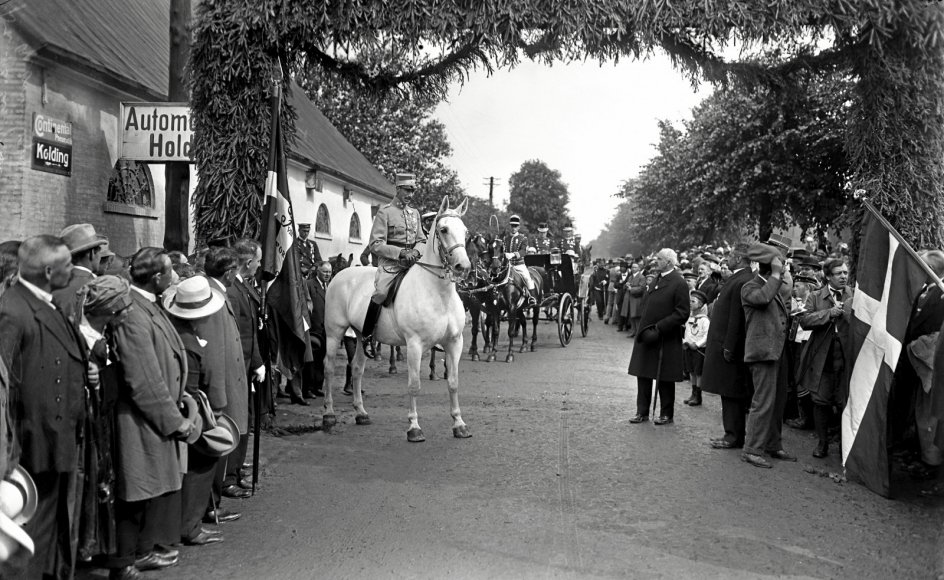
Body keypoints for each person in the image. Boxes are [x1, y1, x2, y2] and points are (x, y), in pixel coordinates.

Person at [0, 235, 87, 580]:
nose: (73, 271)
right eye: (68, 264)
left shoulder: (43, 302)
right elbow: (4, 386)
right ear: (49, 271)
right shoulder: (13, 310)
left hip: (52, 437)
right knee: (29, 534)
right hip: (31, 443)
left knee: (49, 527)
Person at [111, 247, 194, 576]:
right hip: (142, 418)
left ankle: (141, 552)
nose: (173, 277)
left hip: (156, 415)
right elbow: (143, 379)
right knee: (135, 491)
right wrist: (175, 422)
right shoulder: (133, 313)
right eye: (169, 271)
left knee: (147, 489)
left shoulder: (148, 304)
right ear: (157, 277)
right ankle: (124, 562)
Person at [164, 276, 228, 550]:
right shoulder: (189, 342)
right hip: (188, 409)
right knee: (203, 461)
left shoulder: (176, 329)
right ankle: (190, 526)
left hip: (179, 406)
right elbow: (189, 388)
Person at [201, 248, 252, 502]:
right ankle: (225, 481)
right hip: (224, 377)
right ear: (229, 273)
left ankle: (231, 475)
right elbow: (213, 346)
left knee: (235, 425)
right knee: (226, 429)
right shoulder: (212, 295)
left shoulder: (219, 292)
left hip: (234, 371)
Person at [740, 242, 796, 468]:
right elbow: (763, 299)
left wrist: (778, 274)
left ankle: (773, 444)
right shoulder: (750, 287)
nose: (784, 268)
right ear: (770, 267)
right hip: (763, 353)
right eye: (781, 265)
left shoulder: (773, 286)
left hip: (777, 351)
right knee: (762, 402)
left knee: (778, 401)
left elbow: (780, 295)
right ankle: (752, 449)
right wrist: (776, 272)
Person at [361, 172, 426, 357]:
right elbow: (375, 244)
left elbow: (422, 240)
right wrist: (400, 253)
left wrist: (416, 252)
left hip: (412, 263)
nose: (410, 194)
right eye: (406, 190)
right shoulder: (385, 212)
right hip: (391, 265)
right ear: (398, 189)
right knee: (381, 293)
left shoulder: (415, 213)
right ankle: (367, 335)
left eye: (412, 191)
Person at [796, 259, 852, 458]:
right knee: (820, 400)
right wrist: (829, 313)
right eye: (838, 273)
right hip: (823, 355)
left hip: (846, 355)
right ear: (828, 276)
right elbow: (804, 320)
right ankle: (822, 443)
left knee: (845, 401)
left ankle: (845, 447)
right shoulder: (816, 296)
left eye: (845, 272)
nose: (843, 276)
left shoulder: (854, 295)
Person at [627, 249, 690, 425]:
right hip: (647, 334)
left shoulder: (679, 282)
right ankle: (642, 412)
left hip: (665, 336)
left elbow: (682, 312)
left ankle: (666, 414)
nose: (656, 261)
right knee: (643, 374)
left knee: (665, 377)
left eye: (659, 259)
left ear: (669, 262)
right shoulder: (656, 279)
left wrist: (660, 327)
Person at [52, 223, 107, 320]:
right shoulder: (97, 287)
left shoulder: (52, 283)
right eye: (99, 250)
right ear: (92, 253)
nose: (100, 256)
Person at [305, 261, 332, 399]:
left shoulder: (330, 287)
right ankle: (308, 387)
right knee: (311, 360)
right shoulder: (309, 285)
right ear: (318, 271)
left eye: (329, 272)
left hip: (326, 329)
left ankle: (317, 386)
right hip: (313, 328)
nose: (327, 274)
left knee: (321, 358)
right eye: (325, 271)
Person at [682, 289, 710, 407]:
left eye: (693, 301)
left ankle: (698, 396)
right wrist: (685, 342)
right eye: (689, 301)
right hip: (689, 348)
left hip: (699, 349)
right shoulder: (689, 318)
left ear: (700, 304)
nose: (690, 303)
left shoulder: (704, 320)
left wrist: (697, 344)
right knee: (691, 371)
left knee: (698, 372)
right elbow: (687, 332)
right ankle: (693, 394)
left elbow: (707, 335)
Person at [502, 215, 537, 306]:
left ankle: (532, 297)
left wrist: (513, 254)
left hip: (519, 265)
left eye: (515, 226)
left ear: (518, 227)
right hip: (508, 266)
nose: (513, 228)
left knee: (527, 278)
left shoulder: (523, 238)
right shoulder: (505, 239)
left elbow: (523, 251)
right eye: (512, 226)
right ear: (509, 226)